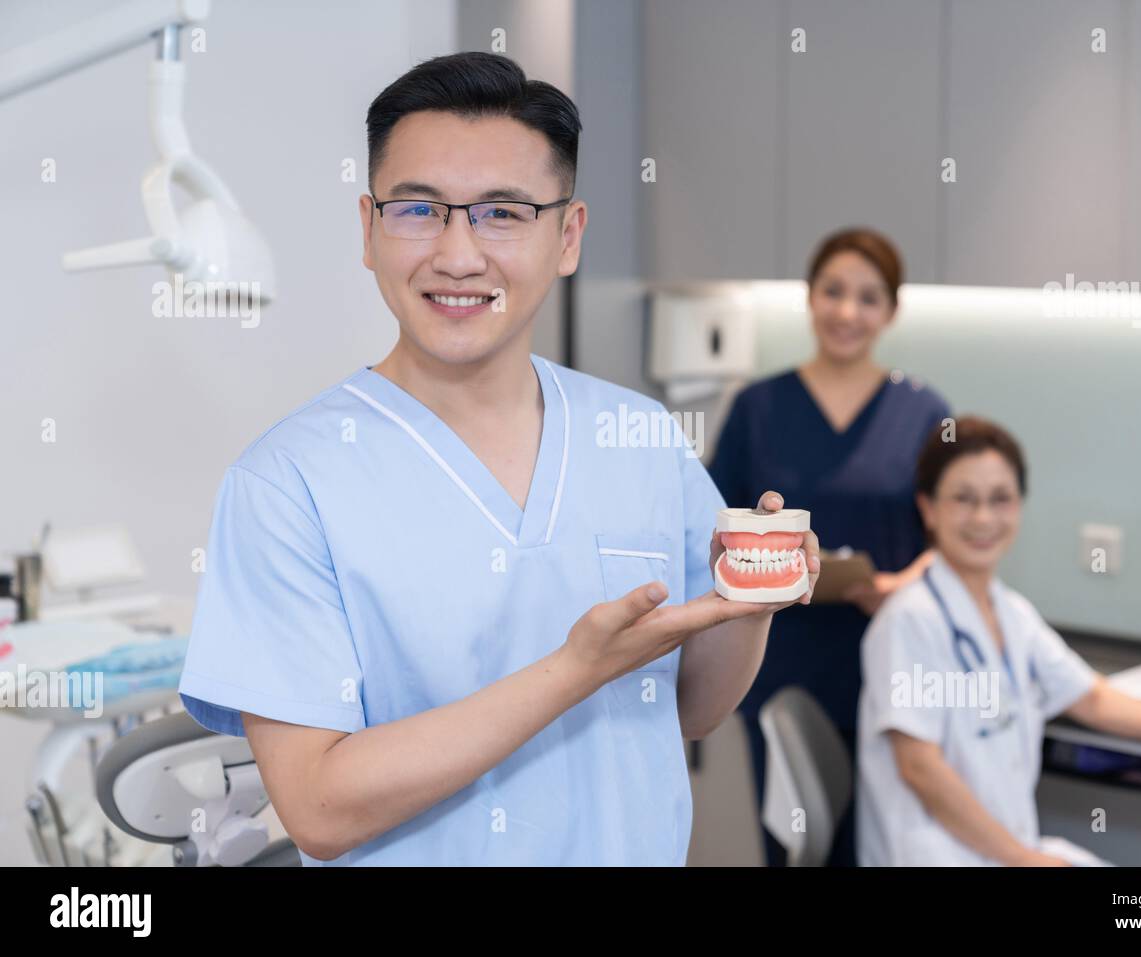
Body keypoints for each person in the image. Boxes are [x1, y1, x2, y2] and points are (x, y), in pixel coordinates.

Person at [177, 52, 820, 866]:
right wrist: (573, 670)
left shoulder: (641, 436)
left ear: (568, 236)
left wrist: (749, 600)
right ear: (369, 231)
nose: (457, 255)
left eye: (503, 214)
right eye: (418, 210)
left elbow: (689, 709)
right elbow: (318, 807)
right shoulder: (288, 483)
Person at [857, 416, 1141, 866]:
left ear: (1019, 507)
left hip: (1006, 853)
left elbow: (1089, 696)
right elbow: (919, 768)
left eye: (1000, 499)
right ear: (929, 509)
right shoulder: (909, 621)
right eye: (963, 499)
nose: (983, 518)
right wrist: (1023, 860)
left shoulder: (1011, 613)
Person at [708, 228, 948, 865]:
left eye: (868, 298)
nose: (848, 311)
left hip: (891, 660)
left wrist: (905, 584)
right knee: (797, 846)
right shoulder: (758, 408)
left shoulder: (926, 415)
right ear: (810, 298)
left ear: (891, 311)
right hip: (781, 663)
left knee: (885, 848)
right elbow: (709, 527)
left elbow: (956, 539)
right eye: (834, 292)